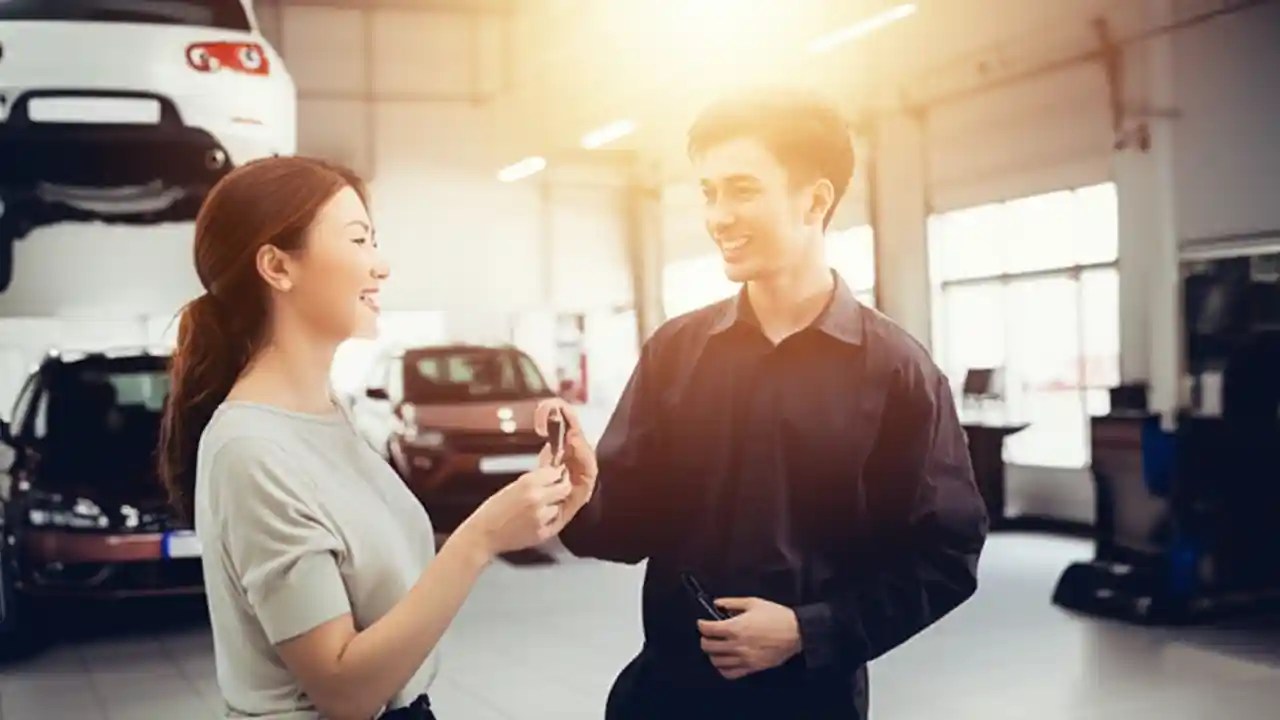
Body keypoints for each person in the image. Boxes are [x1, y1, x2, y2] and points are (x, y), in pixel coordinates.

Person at [536, 88, 990, 718]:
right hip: (667, 695)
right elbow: (627, 525)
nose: (718, 215)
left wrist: (811, 629)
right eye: (708, 191)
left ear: (815, 199)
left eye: (742, 189)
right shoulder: (677, 352)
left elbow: (944, 555)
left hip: (809, 701)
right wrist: (581, 490)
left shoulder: (896, 373)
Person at [157, 156, 577, 720]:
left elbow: (381, 596)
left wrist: (541, 510)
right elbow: (345, 691)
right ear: (278, 267)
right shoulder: (250, 450)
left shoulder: (328, 416)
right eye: (359, 240)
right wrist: (478, 540)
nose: (381, 267)